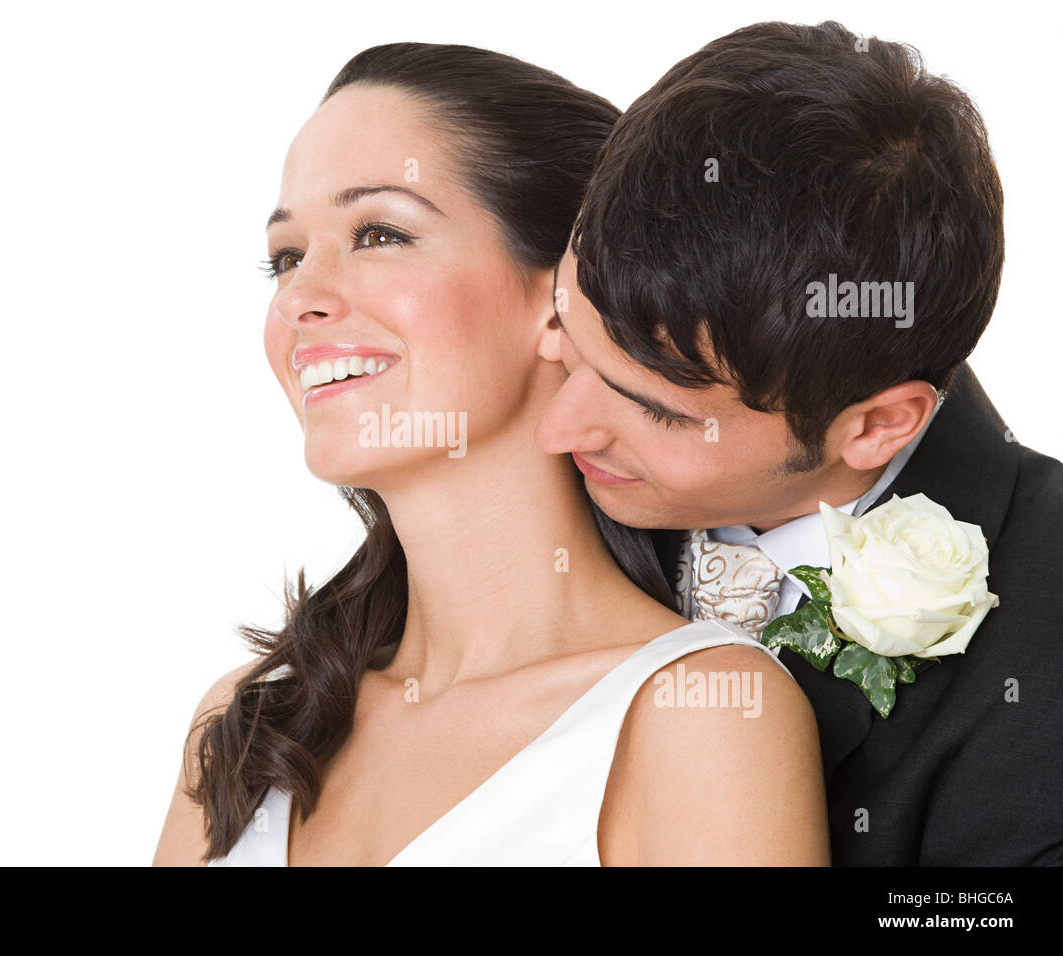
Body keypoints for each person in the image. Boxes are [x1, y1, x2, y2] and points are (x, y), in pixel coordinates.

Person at [153, 42, 829, 866]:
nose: (298, 300)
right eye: (286, 257)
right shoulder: (247, 724)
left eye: (377, 233)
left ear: (562, 303)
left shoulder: (701, 713)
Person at [535, 20, 1063, 865]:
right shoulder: (514, 492)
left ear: (878, 425)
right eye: (566, 332)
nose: (555, 430)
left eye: (657, 411)